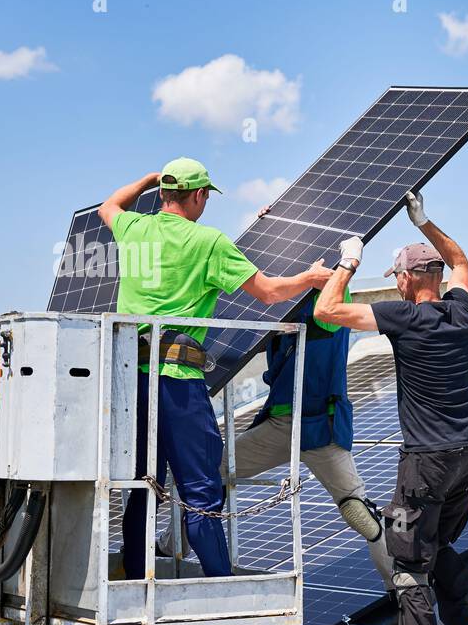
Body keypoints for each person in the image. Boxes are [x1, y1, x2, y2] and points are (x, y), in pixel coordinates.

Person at [100, 158, 332, 580]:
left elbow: (109, 206)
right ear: (199, 195)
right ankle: (219, 582)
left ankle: (135, 575)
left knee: (140, 483)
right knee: (201, 489)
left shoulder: (133, 229)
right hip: (176, 382)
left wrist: (149, 179)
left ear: (162, 193)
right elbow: (267, 293)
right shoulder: (207, 242)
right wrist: (310, 277)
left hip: (130, 380)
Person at [159, 204, 394, 588]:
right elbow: (264, 283)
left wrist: (338, 265)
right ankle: (404, 590)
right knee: (356, 510)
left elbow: (286, 290)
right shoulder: (292, 312)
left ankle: (170, 547)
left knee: (358, 513)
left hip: (312, 425)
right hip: (306, 426)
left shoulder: (327, 307)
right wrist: (265, 224)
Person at [313, 191, 468, 625]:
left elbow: (327, 310)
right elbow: (460, 260)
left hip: (426, 465)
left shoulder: (403, 318)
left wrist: (347, 262)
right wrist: (426, 221)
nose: (395, 283)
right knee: (439, 544)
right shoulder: (460, 311)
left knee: (407, 562)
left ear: (410, 280)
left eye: (396, 276)